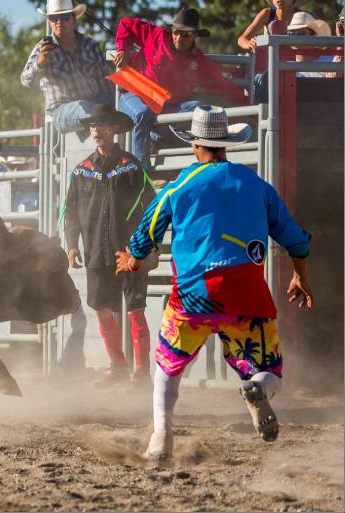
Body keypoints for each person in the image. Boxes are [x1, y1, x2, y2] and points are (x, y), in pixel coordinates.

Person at [116, 105, 313, 461]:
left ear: (195, 145)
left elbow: (148, 227)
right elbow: (294, 237)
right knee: (270, 371)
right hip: (246, 293)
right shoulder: (255, 184)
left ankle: (160, 438)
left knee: (166, 368)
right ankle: (256, 388)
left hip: (194, 294)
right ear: (226, 144)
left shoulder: (180, 185)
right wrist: (300, 275)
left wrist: (132, 257)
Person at [63, 105, 156, 383]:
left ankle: (141, 372)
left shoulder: (132, 166)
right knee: (101, 308)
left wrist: (152, 248)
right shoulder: (81, 171)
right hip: (95, 251)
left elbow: (151, 209)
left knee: (135, 308)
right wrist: (72, 245)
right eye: (93, 125)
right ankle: (118, 366)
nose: (96, 130)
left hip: (129, 252)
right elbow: (71, 211)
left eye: (102, 124)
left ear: (114, 129)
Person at [114, 8, 247, 168]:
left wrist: (247, 107)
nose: (179, 38)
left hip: (166, 106)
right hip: (134, 94)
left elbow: (222, 85)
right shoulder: (155, 35)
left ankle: (162, 141)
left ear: (195, 36)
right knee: (143, 113)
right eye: (176, 32)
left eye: (186, 34)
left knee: (197, 109)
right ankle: (141, 171)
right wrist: (123, 48)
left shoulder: (198, 62)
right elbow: (126, 24)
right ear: (171, 31)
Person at [20, 0, 114, 135]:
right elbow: (25, 80)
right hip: (62, 111)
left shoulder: (90, 44)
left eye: (64, 17)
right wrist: (39, 63)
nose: (58, 21)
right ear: (49, 21)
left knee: (123, 103)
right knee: (93, 109)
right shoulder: (42, 48)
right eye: (53, 18)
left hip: (94, 104)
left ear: (73, 19)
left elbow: (105, 82)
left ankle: (153, 138)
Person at [238, 0, 310, 104]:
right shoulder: (266, 14)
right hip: (265, 71)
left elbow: (312, 43)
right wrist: (250, 43)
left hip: (294, 70)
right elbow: (242, 39)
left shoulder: (301, 18)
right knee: (264, 80)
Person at [285, 12, 334, 79]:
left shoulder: (332, 61)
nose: (295, 37)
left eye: (301, 33)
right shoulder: (284, 67)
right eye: (291, 33)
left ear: (314, 36)